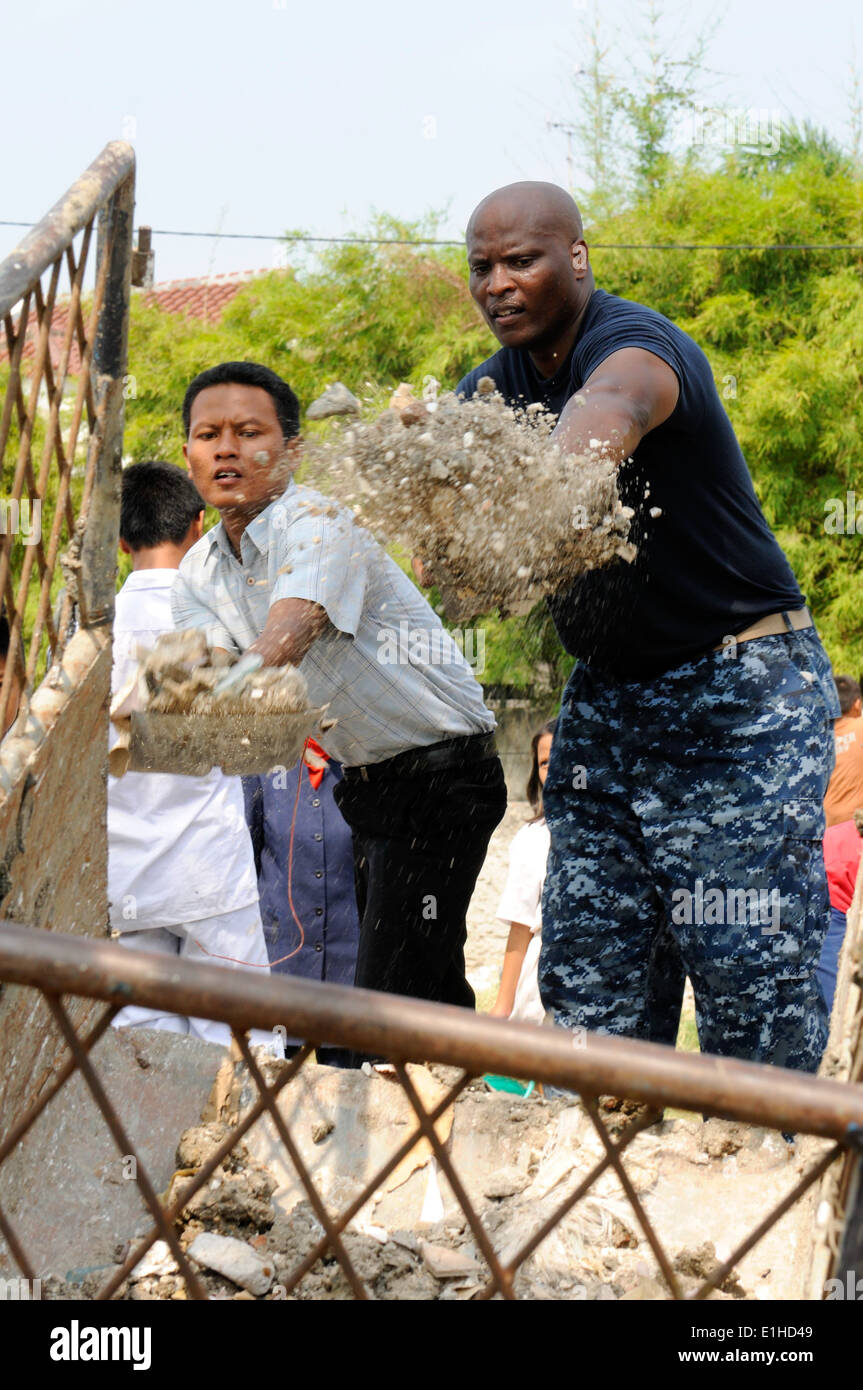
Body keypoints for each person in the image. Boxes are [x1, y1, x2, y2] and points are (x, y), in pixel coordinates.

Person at [450, 180, 839, 1072]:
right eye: (481, 267)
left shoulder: (635, 346)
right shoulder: (490, 390)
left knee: (748, 974)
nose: (498, 283)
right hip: (608, 699)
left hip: (739, 693)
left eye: (522, 260)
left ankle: (765, 1182)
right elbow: (460, 547)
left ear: (576, 259)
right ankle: (598, 1181)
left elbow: (611, 411)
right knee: (591, 975)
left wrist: (543, 491)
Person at [171, 362, 506, 1019]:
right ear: (188, 456)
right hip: (370, 783)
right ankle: (459, 1107)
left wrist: (200, 705)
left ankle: (430, 1099)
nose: (226, 449)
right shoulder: (197, 571)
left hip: (445, 778)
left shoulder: (320, 521)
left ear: (292, 450)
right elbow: (201, 677)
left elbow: (286, 635)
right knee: (422, 979)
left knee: (391, 990)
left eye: (247, 431)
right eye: (208, 434)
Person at [108, 460, 272, 1049]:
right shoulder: (215, 622)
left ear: (120, 540)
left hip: (127, 881)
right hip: (208, 875)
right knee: (241, 1050)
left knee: (142, 1058)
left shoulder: (88, 635)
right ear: (198, 525)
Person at [243, 739, 359, 1063]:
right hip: (281, 960)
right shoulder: (262, 768)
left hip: (346, 961)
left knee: (348, 1088)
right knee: (271, 1087)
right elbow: (245, 862)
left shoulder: (360, 763)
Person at [490, 719, 555, 1024]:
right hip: (541, 994)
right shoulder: (533, 839)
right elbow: (521, 925)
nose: (553, 770)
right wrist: (503, 1006)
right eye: (544, 763)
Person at [824, 675, 863, 828]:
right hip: (857, 827)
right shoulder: (860, 727)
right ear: (857, 704)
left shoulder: (817, 739)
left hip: (827, 831)